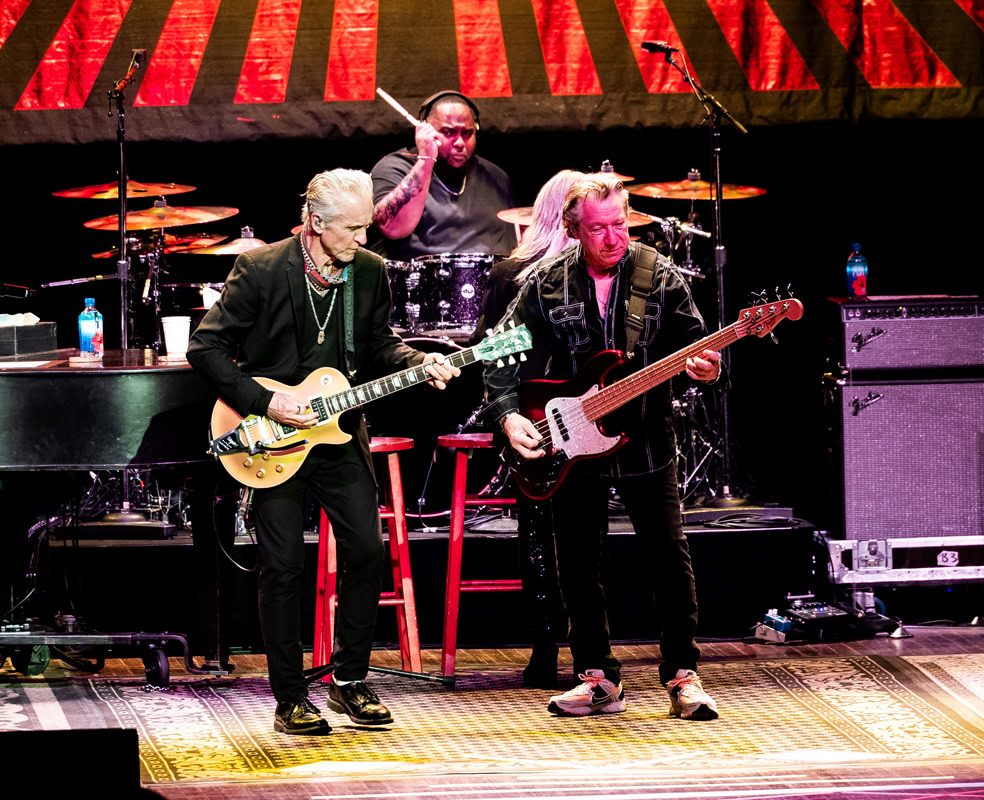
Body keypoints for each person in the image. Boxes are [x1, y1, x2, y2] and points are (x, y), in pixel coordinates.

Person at [187, 169, 460, 735]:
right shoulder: (261, 269)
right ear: (315, 221)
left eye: (365, 228)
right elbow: (206, 348)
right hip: (269, 436)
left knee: (366, 552)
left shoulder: (370, 271)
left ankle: (349, 682)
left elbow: (382, 347)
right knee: (283, 566)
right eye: (352, 229)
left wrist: (421, 364)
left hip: (337, 437)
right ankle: (289, 696)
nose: (362, 239)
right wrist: (267, 400)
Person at [485, 173, 722, 720]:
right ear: (574, 229)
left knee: (667, 554)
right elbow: (498, 352)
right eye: (599, 229)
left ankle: (684, 676)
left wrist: (705, 370)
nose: (613, 237)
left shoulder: (657, 275)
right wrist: (508, 415)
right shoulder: (545, 282)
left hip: (645, 436)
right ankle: (596, 678)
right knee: (577, 560)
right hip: (571, 439)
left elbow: (698, 348)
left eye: (620, 224)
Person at [469, 169, 583, 688]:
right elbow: (492, 356)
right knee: (555, 526)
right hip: (540, 415)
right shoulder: (515, 275)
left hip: (563, 413)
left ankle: (551, 647)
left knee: (544, 529)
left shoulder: (600, 270)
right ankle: (562, 647)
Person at [371, 90, 516, 262]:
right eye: (448, 132)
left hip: (490, 284)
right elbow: (392, 228)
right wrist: (426, 159)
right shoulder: (395, 167)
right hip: (423, 284)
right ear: (424, 129)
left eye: (467, 133)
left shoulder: (495, 177)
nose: (460, 142)